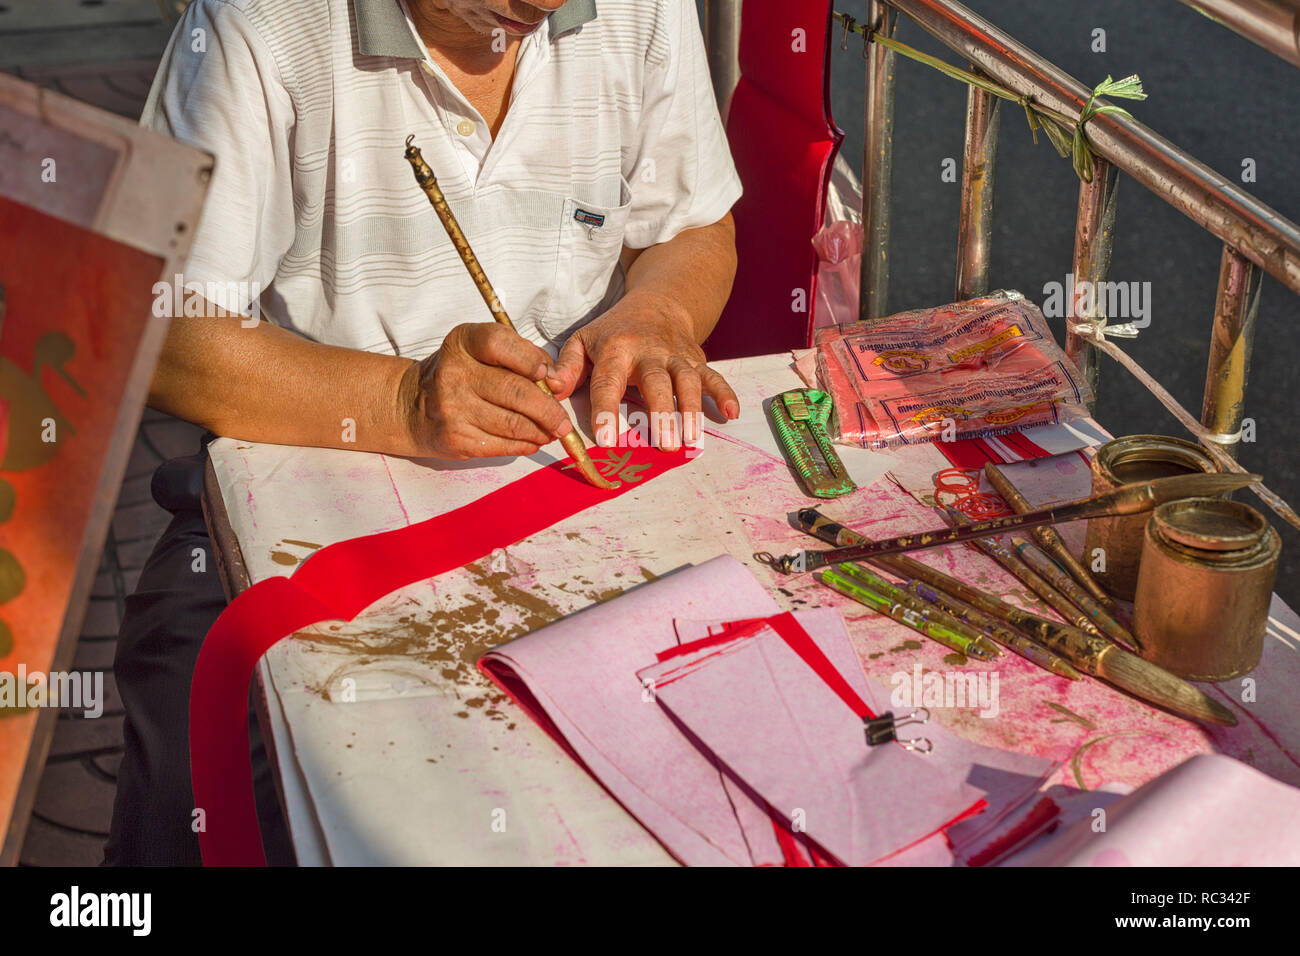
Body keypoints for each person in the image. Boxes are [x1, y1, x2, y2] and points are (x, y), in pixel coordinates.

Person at [104, 0, 744, 864]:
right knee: (202, 745)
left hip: (574, 490)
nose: (537, 10)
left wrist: (661, 306)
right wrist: (401, 402)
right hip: (311, 497)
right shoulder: (256, 23)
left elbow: (693, 225)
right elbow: (161, 328)